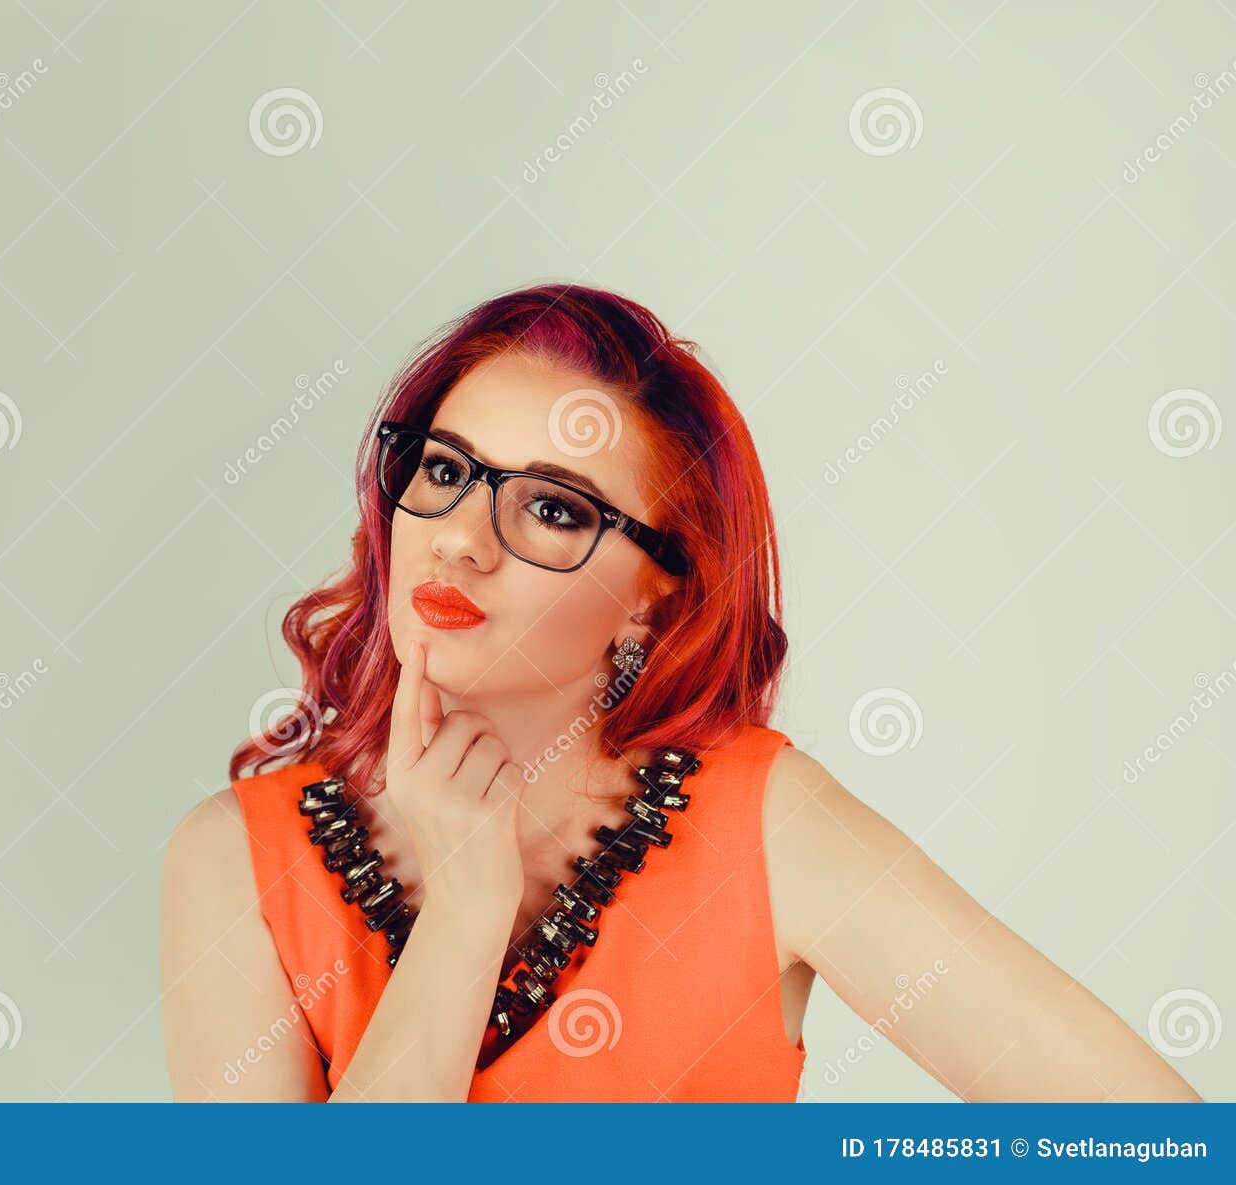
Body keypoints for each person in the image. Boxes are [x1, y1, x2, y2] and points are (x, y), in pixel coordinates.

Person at [159, 282, 1204, 1103]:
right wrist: (465, 909)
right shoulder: (236, 859)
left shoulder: (766, 827)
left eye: (555, 511)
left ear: (654, 599)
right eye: (444, 470)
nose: (463, 538)